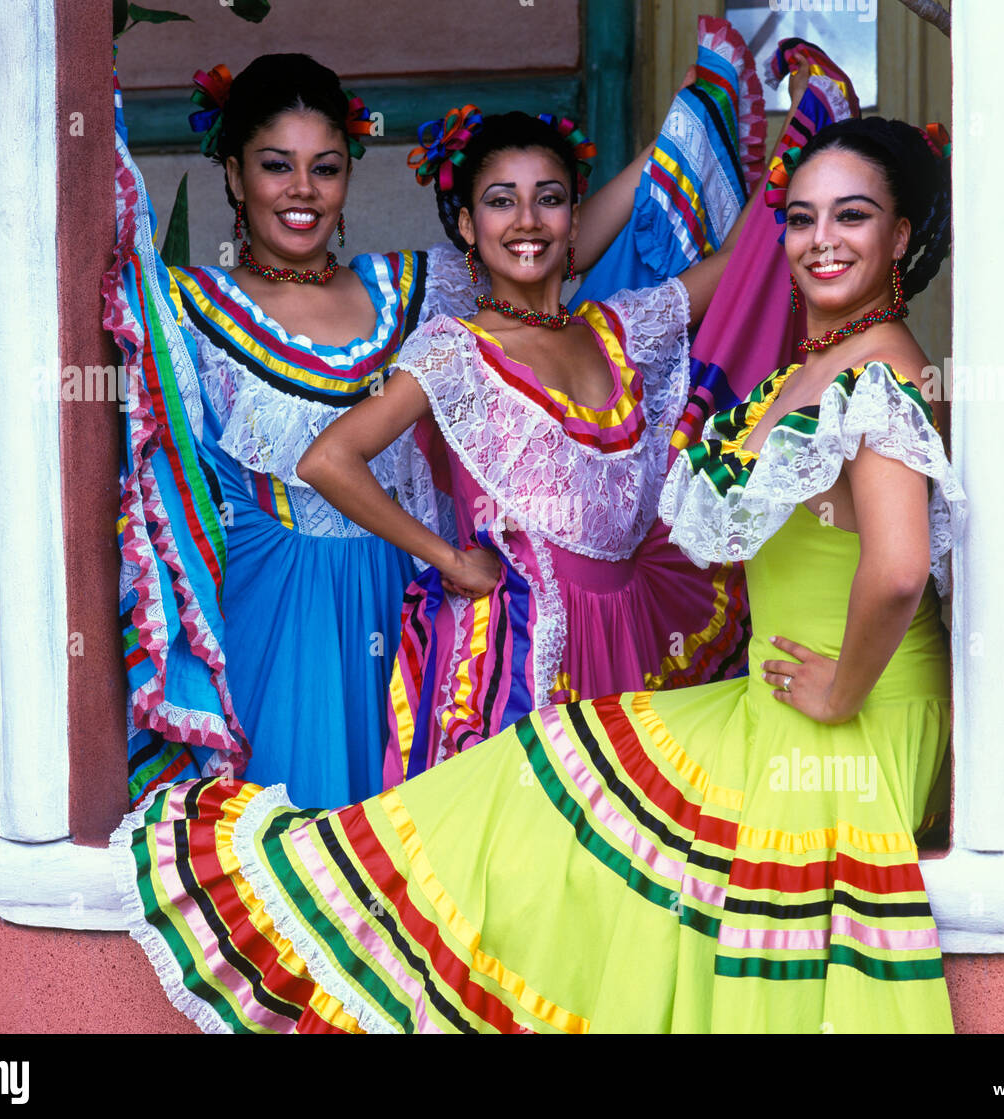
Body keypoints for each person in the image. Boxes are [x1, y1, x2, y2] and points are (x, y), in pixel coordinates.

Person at [109, 100, 961, 1032]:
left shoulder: (683, 342)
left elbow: (896, 569)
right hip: (523, 645)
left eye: (851, 215)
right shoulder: (463, 346)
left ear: (902, 234)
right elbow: (329, 456)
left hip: (810, 694)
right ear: (466, 227)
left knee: (577, 866)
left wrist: (750, 155)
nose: (818, 241)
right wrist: (449, 559)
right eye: (802, 218)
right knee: (522, 847)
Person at [110, 52, 683, 809]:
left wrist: (673, 140)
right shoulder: (185, 307)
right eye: (277, 166)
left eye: (327, 167)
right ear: (233, 174)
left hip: (410, 593)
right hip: (278, 608)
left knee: (406, 838)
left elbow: (556, 250)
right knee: (302, 830)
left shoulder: (409, 289)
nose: (302, 191)